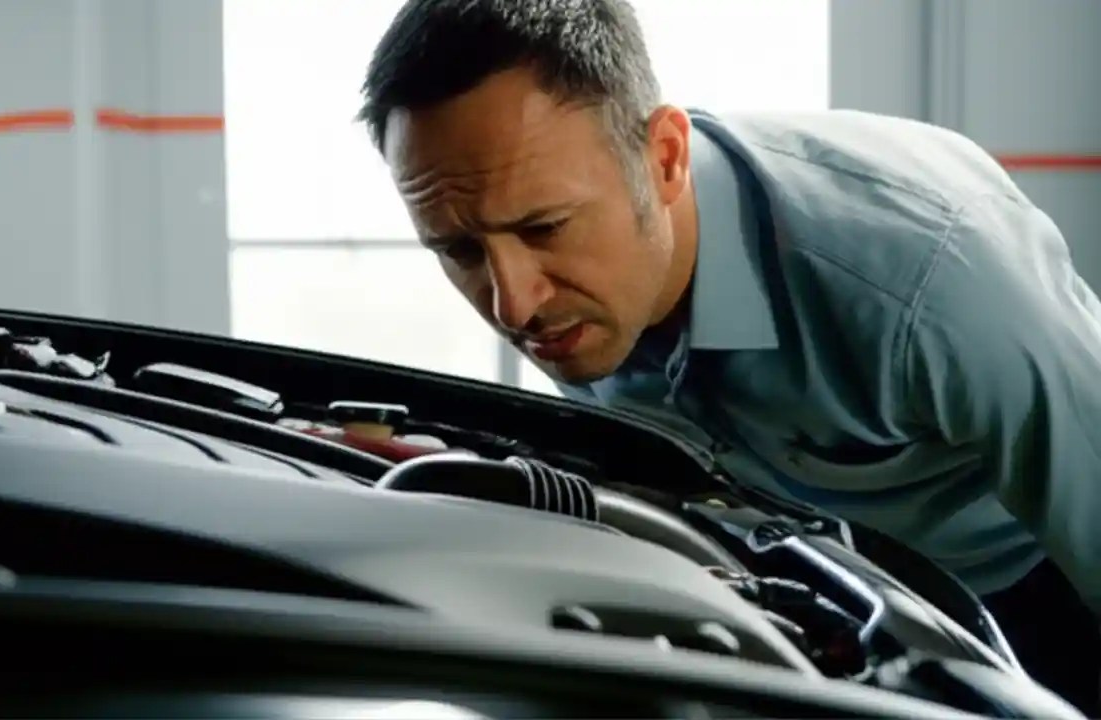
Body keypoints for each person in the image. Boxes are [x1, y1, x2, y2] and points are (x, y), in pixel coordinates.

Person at [356, 0, 1100, 711]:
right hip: (832, 593)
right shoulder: (577, 278)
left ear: (666, 158)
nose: (511, 304)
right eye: (458, 250)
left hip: (1041, 583)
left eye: (545, 227)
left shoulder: (933, 282)